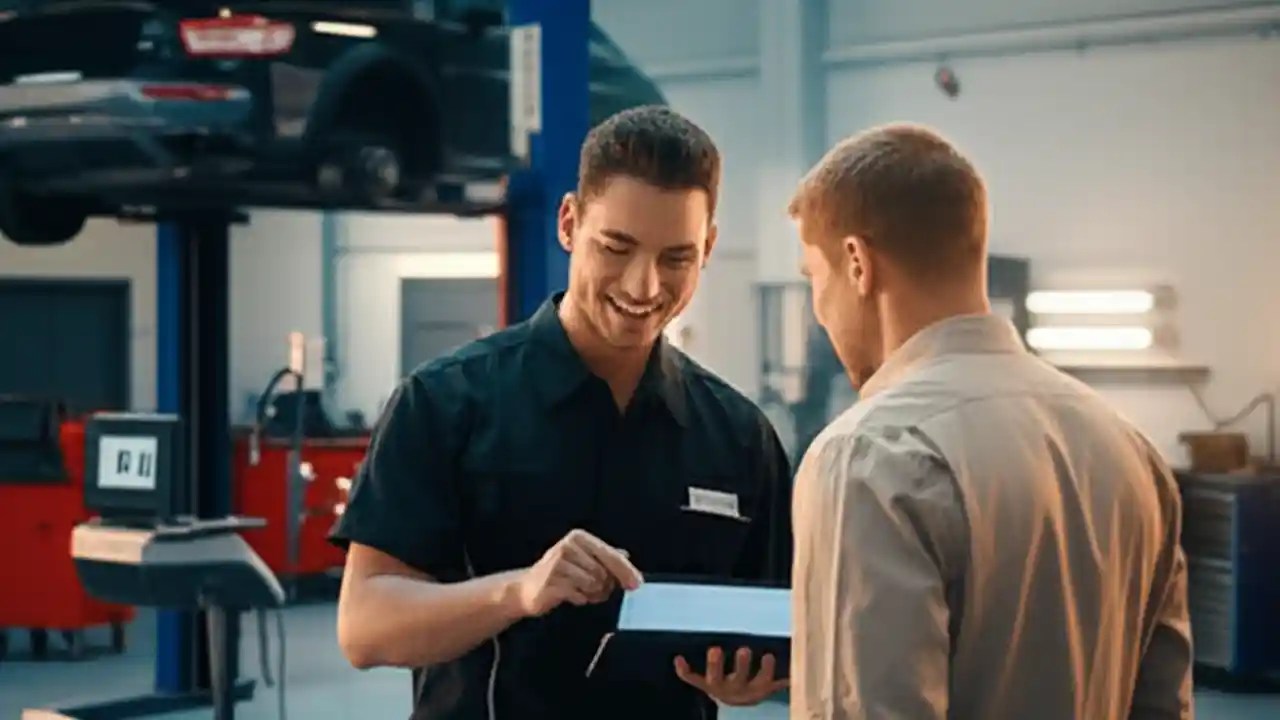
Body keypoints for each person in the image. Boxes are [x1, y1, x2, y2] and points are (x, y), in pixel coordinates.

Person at [330, 105, 793, 720]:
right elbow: (364, 628)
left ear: (707, 247)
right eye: (616, 247)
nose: (644, 286)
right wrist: (517, 591)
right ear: (569, 223)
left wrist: (756, 679)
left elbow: (781, 632)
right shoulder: (444, 404)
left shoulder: (739, 437)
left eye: (676, 258)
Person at [786, 124, 1193, 719]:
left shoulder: (870, 456)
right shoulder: (1130, 451)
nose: (819, 312)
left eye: (814, 280)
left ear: (857, 264)